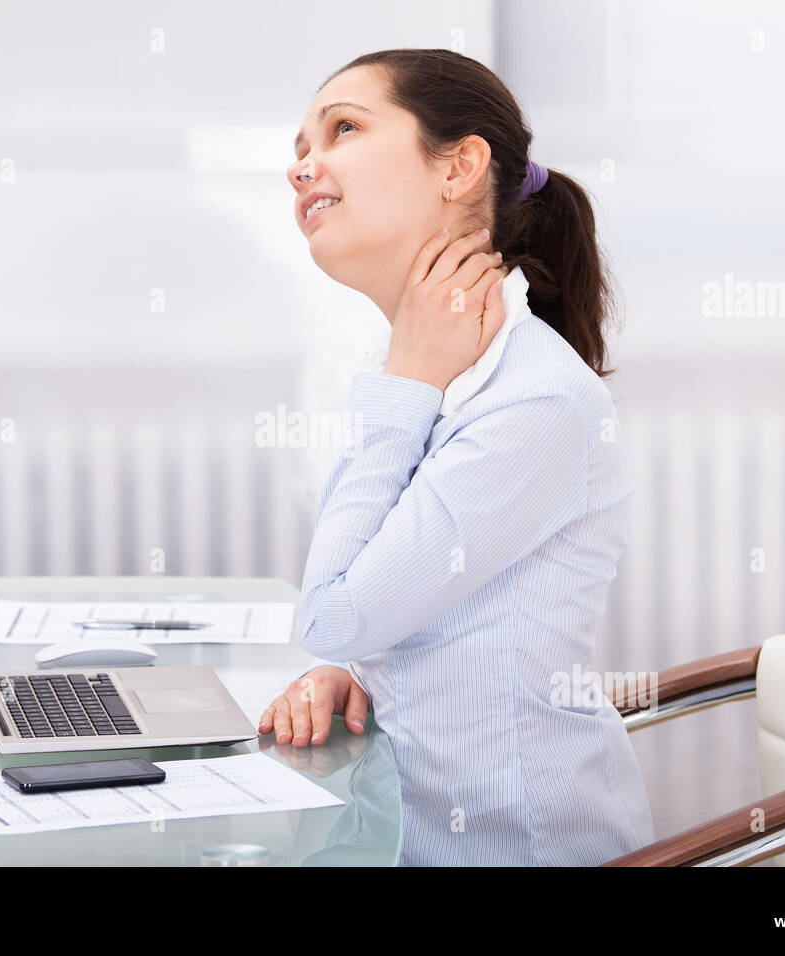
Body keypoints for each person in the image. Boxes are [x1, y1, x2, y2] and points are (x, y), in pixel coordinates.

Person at [259, 48, 655, 866]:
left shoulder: (531, 400)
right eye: (301, 145)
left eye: (342, 128)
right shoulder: (434, 368)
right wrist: (358, 668)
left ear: (461, 166)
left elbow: (331, 607)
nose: (303, 165)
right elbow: (383, 609)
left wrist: (404, 382)